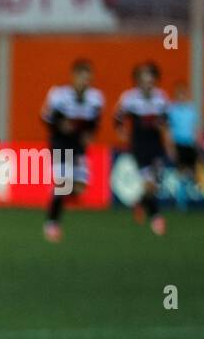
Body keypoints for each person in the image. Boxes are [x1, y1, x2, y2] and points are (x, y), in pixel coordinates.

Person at [40, 59, 103, 242]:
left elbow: (94, 122)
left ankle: (57, 195)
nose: (85, 81)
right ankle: (52, 223)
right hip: (61, 143)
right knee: (64, 185)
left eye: (87, 78)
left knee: (79, 188)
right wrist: (60, 124)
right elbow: (45, 118)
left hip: (78, 147)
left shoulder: (95, 98)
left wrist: (90, 134)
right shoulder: (59, 95)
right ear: (73, 77)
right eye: (81, 77)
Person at [113, 62, 174, 234]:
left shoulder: (161, 98)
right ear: (137, 81)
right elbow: (117, 117)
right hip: (139, 146)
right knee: (149, 184)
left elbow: (165, 124)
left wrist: (169, 145)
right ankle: (156, 218)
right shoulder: (129, 98)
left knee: (155, 185)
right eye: (143, 79)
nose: (147, 83)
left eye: (150, 79)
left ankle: (139, 202)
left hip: (156, 146)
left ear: (155, 80)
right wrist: (122, 132)